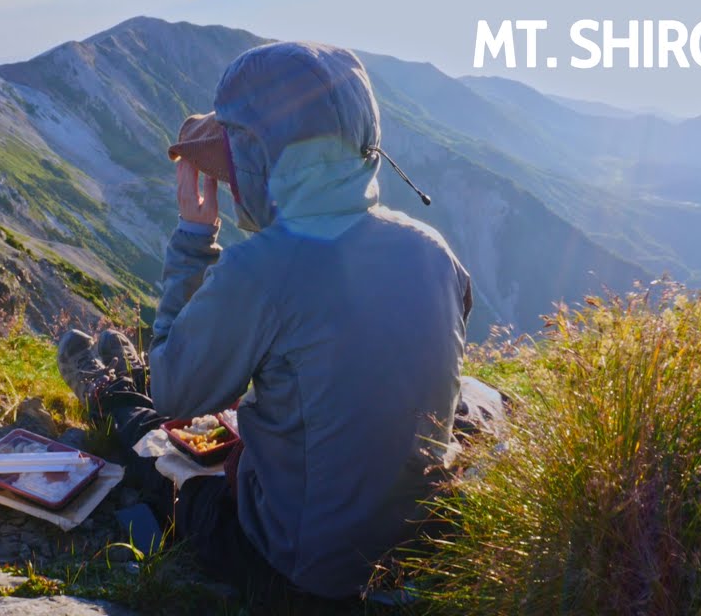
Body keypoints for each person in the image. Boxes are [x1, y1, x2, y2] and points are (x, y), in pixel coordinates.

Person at [58, 41, 478, 603]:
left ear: (262, 159)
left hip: (303, 566)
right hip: (416, 546)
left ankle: (108, 393)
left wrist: (193, 239)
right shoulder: (433, 250)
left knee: (157, 444)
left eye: (233, 157)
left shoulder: (259, 269)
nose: (229, 178)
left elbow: (175, 394)